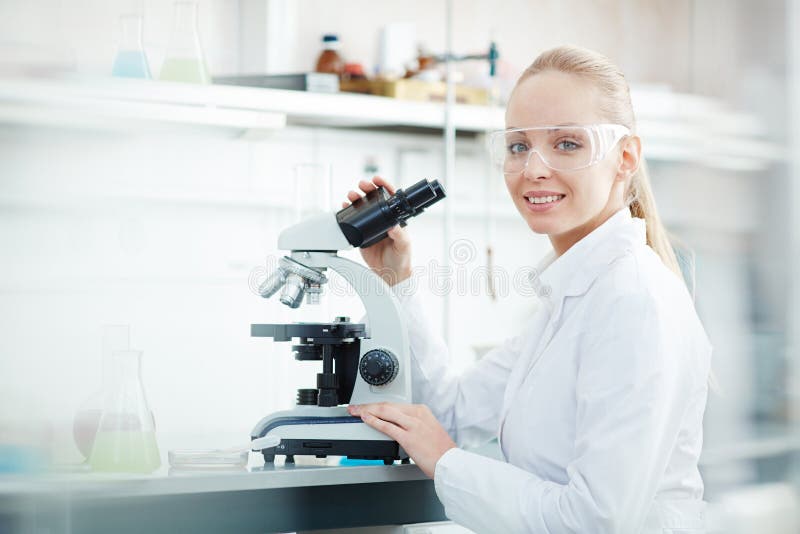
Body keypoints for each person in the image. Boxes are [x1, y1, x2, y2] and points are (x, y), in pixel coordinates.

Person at [342, 45, 712, 534]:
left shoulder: (634, 301)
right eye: (518, 146)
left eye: (567, 143)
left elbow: (594, 522)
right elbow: (449, 412)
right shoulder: (572, 298)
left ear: (625, 157)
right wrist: (397, 279)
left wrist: (448, 461)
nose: (534, 169)